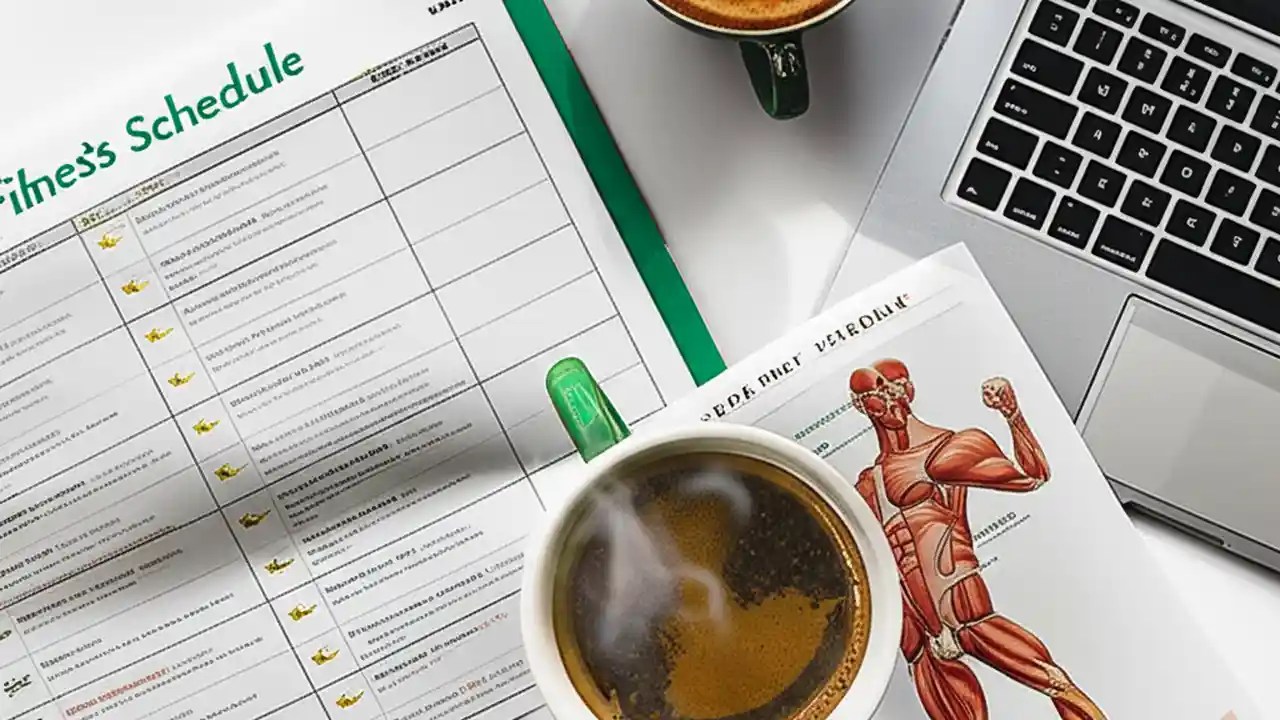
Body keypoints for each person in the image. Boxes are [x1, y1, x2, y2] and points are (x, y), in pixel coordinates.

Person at [848, 359, 1104, 720]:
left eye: (895, 390)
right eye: (876, 395)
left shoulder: (944, 450)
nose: (890, 403)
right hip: (917, 628)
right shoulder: (867, 483)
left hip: (959, 599)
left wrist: (1012, 414)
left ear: (909, 390)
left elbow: (1031, 476)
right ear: (861, 405)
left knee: (1053, 681)